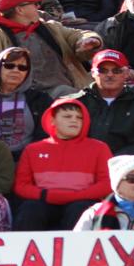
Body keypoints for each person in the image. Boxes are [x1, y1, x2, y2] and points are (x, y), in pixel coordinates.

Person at [0, 0, 101, 96]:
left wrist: (89, 40)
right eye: (33, 4)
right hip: (26, 100)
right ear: (20, 10)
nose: (38, 6)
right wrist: (4, 93)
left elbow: (77, 35)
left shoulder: (50, 27)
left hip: (69, 91)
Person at [11, 96, 111, 231]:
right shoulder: (33, 149)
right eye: (67, 116)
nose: (74, 120)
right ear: (52, 120)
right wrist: (46, 195)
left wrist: (77, 196)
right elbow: (21, 186)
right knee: (30, 209)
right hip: (43, 201)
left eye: (79, 117)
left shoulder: (100, 148)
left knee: (81, 209)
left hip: (82, 202)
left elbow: (107, 184)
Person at [74, 49, 134, 158]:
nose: (109, 75)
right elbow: (66, 139)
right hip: (82, 162)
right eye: (103, 70)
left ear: (126, 74)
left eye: (116, 71)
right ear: (93, 73)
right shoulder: (77, 103)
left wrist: (112, 162)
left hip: (124, 165)